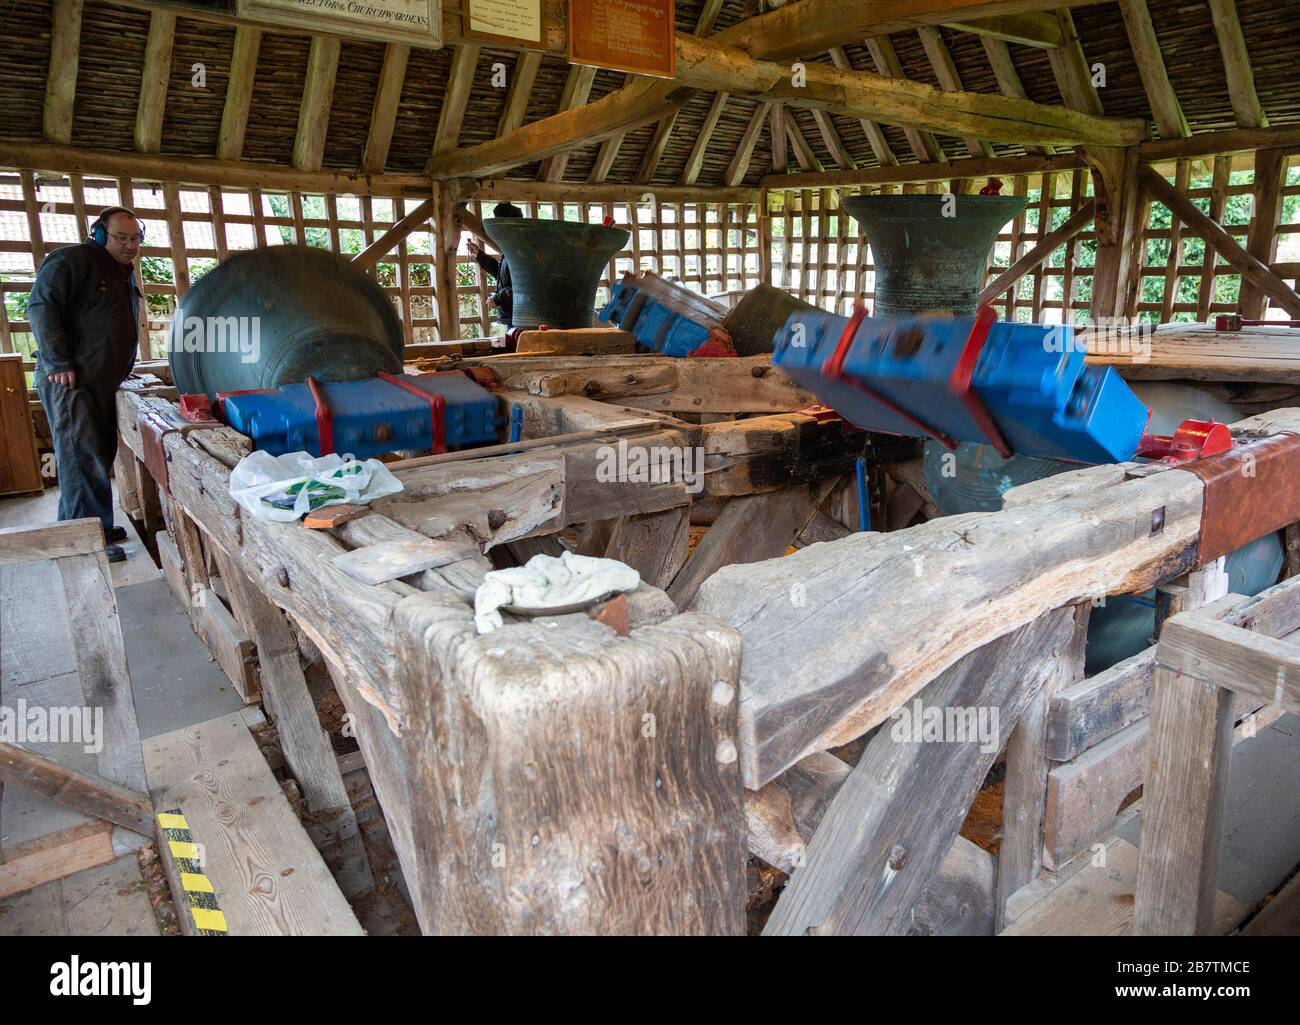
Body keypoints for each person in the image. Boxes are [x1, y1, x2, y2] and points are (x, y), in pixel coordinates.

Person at [29, 207, 144, 563]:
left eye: (135, 239)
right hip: (71, 380)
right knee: (80, 458)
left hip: (100, 380)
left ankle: (97, 525)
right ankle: (81, 539)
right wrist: (58, 361)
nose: (129, 246)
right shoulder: (71, 261)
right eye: (120, 238)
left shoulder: (119, 272)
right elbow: (41, 307)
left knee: (98, 453)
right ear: (97, 234)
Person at [466, 202, 523, 329]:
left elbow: (523, 285)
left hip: (520, 317)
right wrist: (479, 255)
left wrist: (498, 298)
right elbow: (503, 276)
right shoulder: (512, 247)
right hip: (514, 315)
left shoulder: (519, 249)